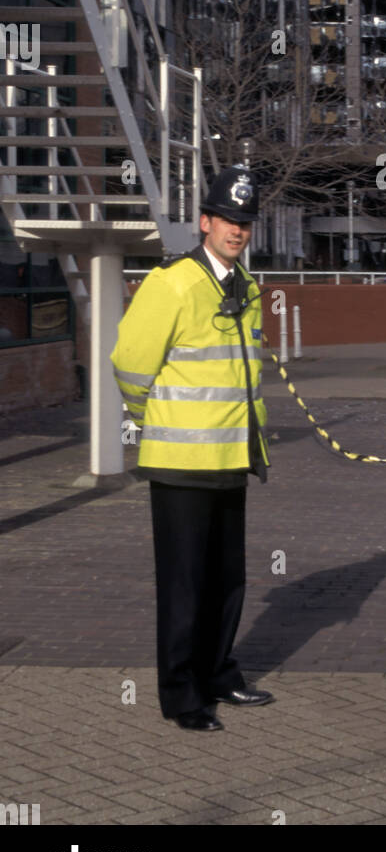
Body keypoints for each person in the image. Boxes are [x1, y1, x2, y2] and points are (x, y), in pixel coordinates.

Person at [110, 164, 273, 732]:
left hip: (231, 458)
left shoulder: (246, 288)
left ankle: (220, 672)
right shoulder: (171, 282)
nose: (237, 229)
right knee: (184, 584)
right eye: (227, 219)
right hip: (180, 462)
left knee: (228, 579)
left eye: (244, 221)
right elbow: (129, 363)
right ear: (204, 222)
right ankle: (182, 694)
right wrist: (148, 420)